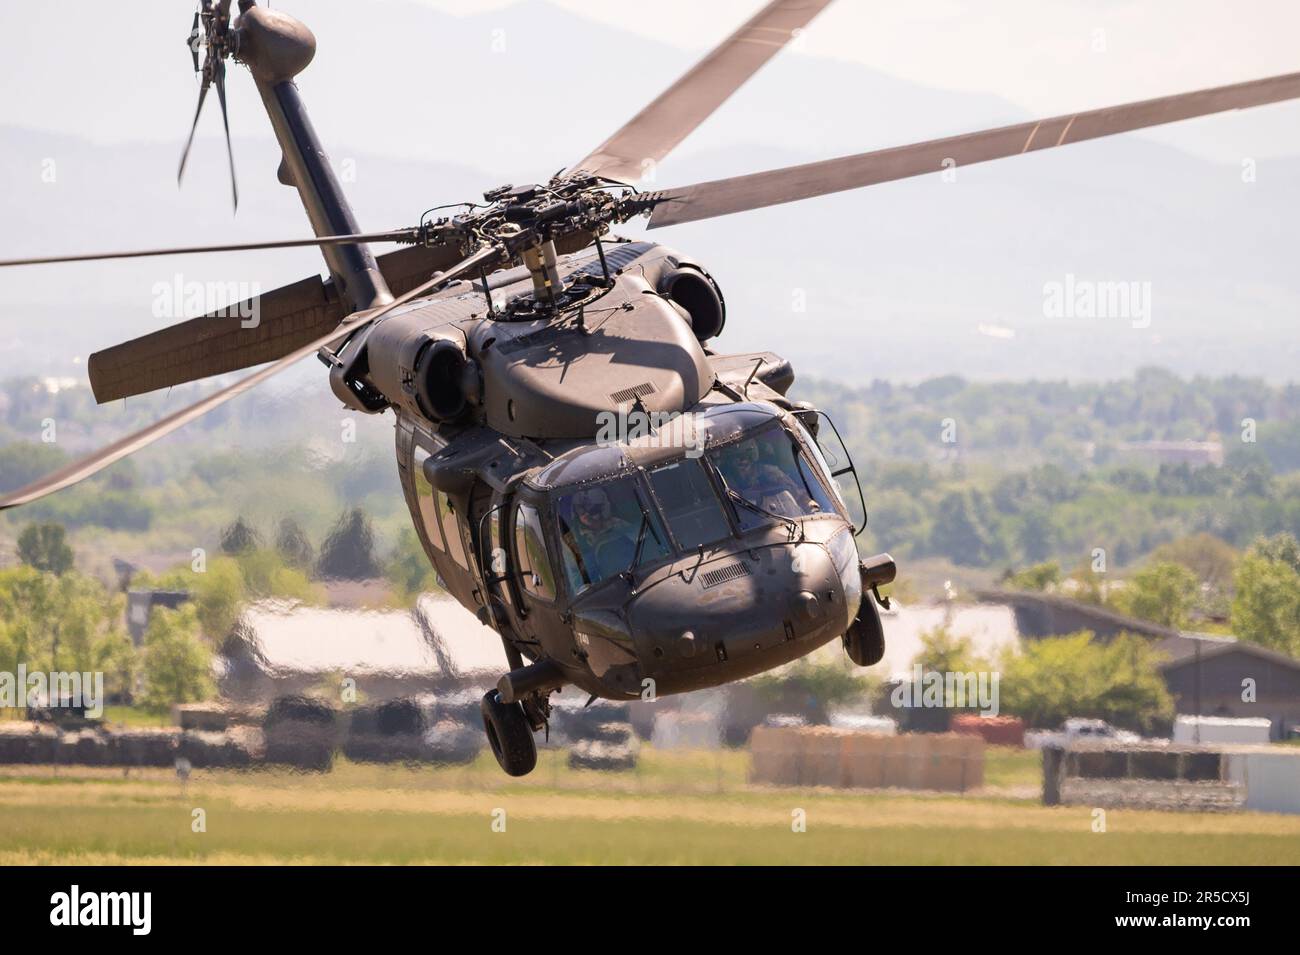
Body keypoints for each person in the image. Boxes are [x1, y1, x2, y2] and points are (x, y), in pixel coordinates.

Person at [720, 437, 816, 518]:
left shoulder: (770, 473)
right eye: (737, 456)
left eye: (746, 455)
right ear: (729, 460)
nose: (743, 460)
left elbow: (798, 495)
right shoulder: (724, 484)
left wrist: (812, 508)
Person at [564, 486, 638, 587]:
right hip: (602, 590)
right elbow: (575, 583)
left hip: (632, 578)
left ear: (604, 507)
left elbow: (645, 548)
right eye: (580, 510)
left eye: (592, 509)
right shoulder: (570, 541)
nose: (586, 515)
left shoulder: (618, 524)